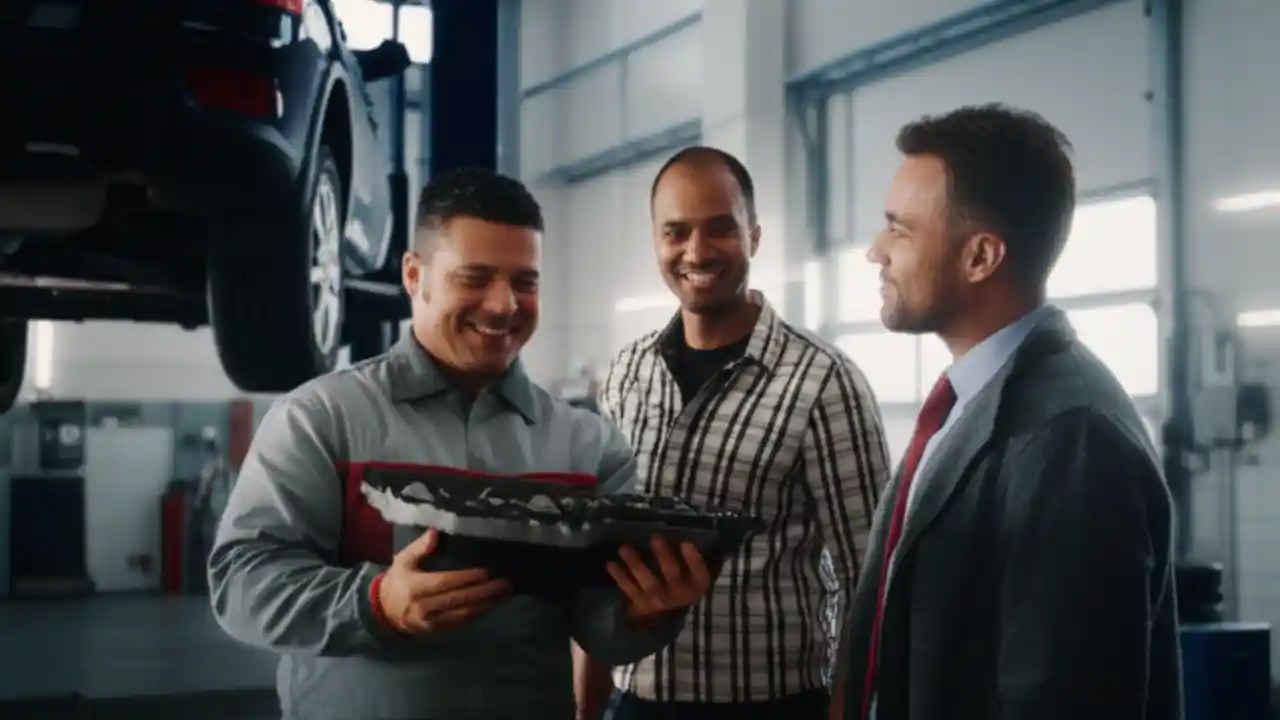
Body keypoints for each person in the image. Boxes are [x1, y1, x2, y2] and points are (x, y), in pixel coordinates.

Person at [208, 168, 715, 720]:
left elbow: (600, 625)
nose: (503, 304)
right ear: (413, 275)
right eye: (474, 278)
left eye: (526, 281)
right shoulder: (320, 418)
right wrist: (375, 605)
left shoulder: (586, 445)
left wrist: (644, 613)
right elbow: (241, 581)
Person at [834, 104, 1182, 720]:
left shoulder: (1071, 437)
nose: (875, 251)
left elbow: (1067, 701)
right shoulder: (969, 402)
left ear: (981, 257)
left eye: (900, 229)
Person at [575, 147, 891, 719]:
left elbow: (869, 583)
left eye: (720, 228)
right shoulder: (626, 373)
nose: (696, 252)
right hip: (635, 703)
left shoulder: (824, 382)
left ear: (755, 235)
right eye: (676, 233)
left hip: (770, 707)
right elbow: (597, 558)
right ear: (655, 240)